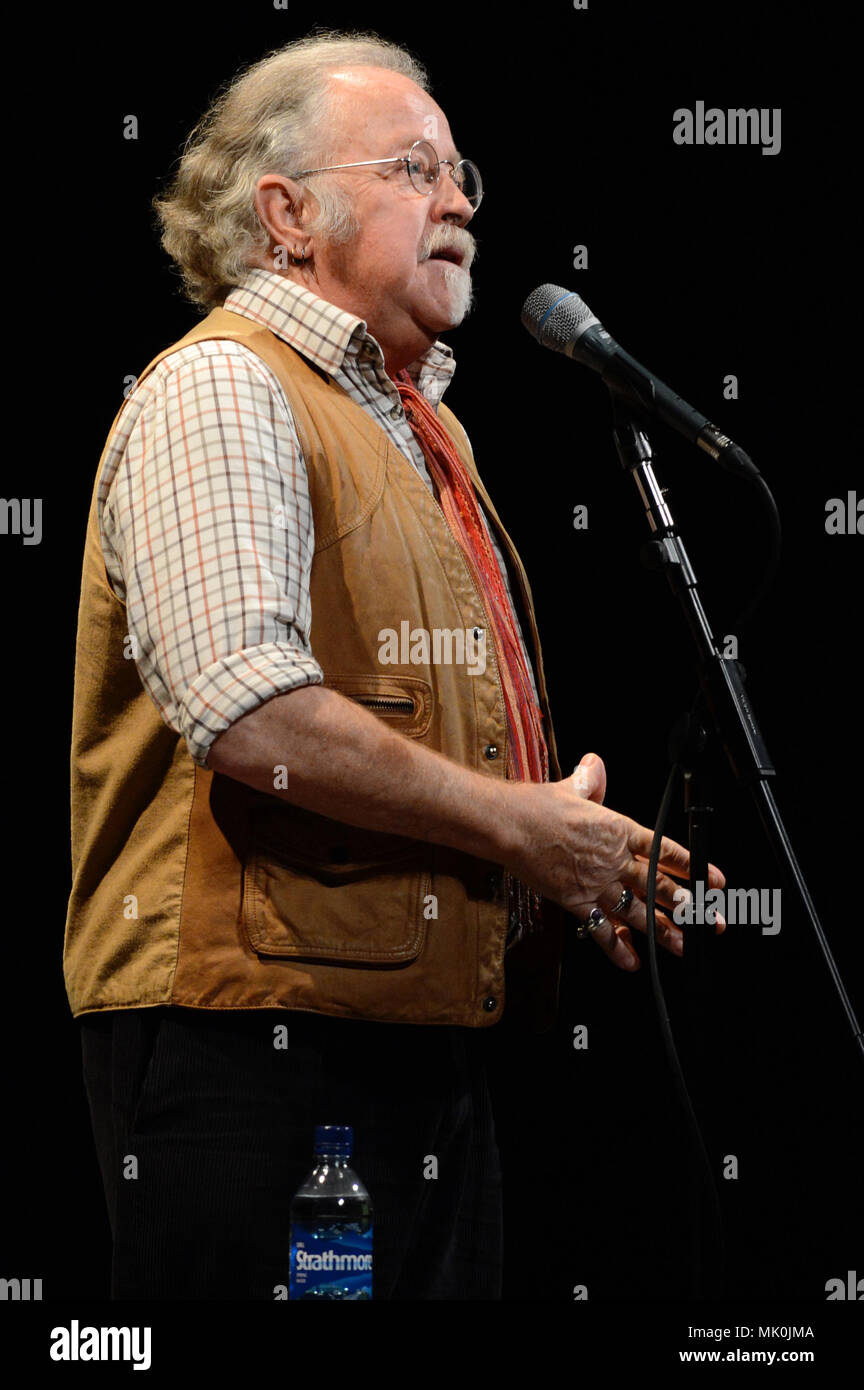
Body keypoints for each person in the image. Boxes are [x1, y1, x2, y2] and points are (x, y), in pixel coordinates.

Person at [64, 31, 725, 1300]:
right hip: (254, 1045)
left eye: (463, 169)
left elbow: (406, 723)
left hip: (416, 1045)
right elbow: (252, 710)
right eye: (414, 167)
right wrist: (522, 831)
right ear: (288, 214)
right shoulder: (225, 388)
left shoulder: (432, 432)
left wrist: (551, 854)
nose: (462, 197)